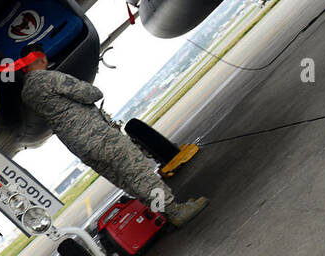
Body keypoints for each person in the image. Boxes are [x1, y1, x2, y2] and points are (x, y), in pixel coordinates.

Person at [18, 43, 208, 226]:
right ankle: (175, 212)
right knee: (139, 173)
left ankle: (164, 212)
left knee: (125, 180)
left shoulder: (27, 93)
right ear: (40, 59)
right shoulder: (49, 78)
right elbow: (91, 94)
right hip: (99, 136)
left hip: (79, 146)